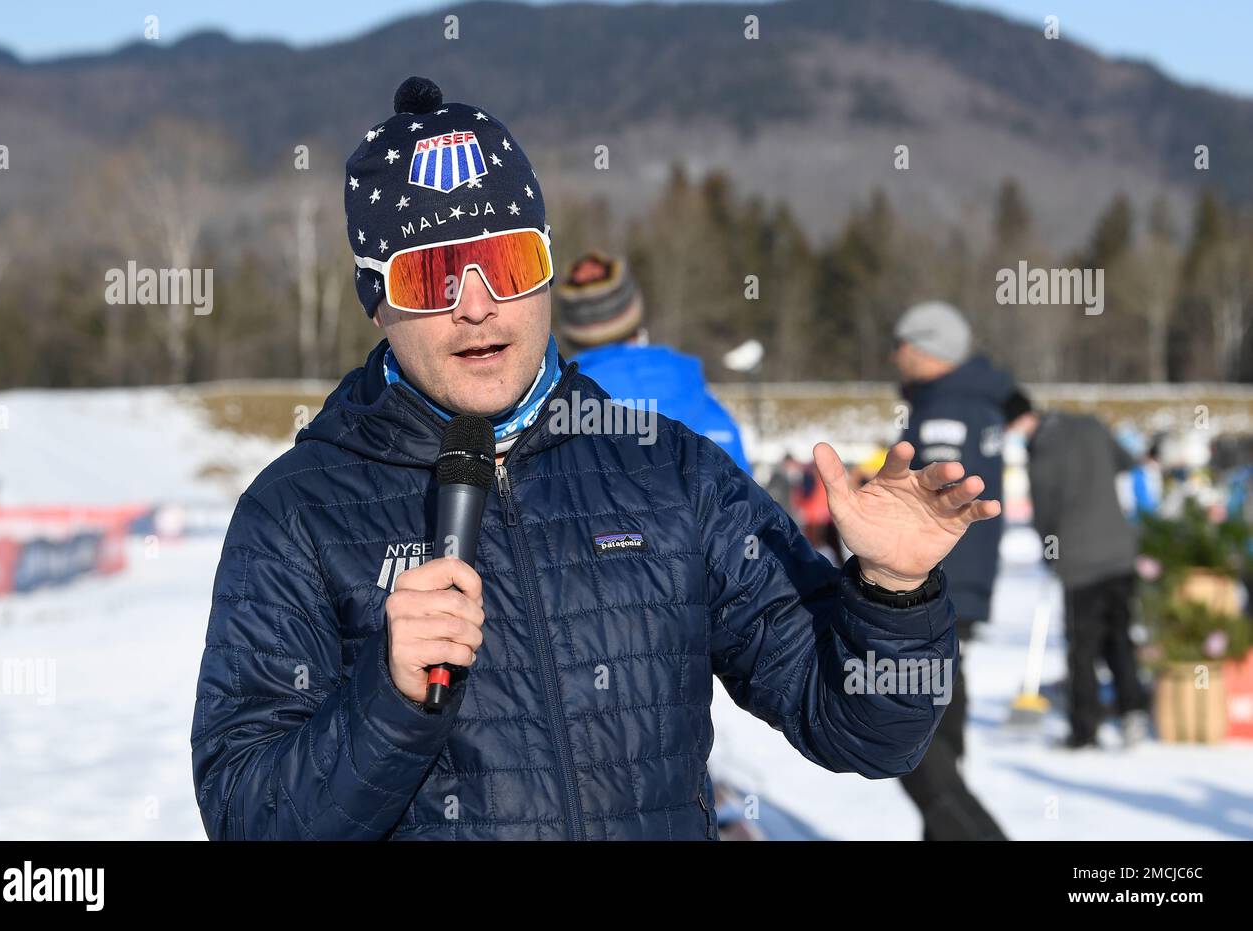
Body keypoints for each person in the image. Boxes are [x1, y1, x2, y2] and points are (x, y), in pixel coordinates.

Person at [190, 76, 1001, 841]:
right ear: (377, 300)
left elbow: (864, 731)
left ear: (544, 271)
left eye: (509, 263)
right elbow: (247, 816)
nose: (477, 305)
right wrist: (388, 697)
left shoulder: (670, 472)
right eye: (432, 276)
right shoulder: (295, 512)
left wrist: (893, 594)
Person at [890, 300, 1009, 841]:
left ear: (922, 349)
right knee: (941, 724)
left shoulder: (947, 406)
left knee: (905, 732)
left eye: (901, 345)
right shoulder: (977, 397)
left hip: (934, 582)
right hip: (963, 580)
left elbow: (935, 499)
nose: (895, 356)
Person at [1004, 391, 1150, 749]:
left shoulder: (1040, 451)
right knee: (1120, 635)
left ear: (1020, 421)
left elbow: (1044, 515)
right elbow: (1127, 461)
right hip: (1119, 550)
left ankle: (1085, 728)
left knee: (1081, 646)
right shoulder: (1090, 425)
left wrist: (1050, 554)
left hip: (1079, 561)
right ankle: (1131, 712)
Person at [556, 250, 751, 473]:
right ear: (634, 312)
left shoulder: (556, 417)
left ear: (572, 329)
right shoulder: (712, 413)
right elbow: (750, 503)